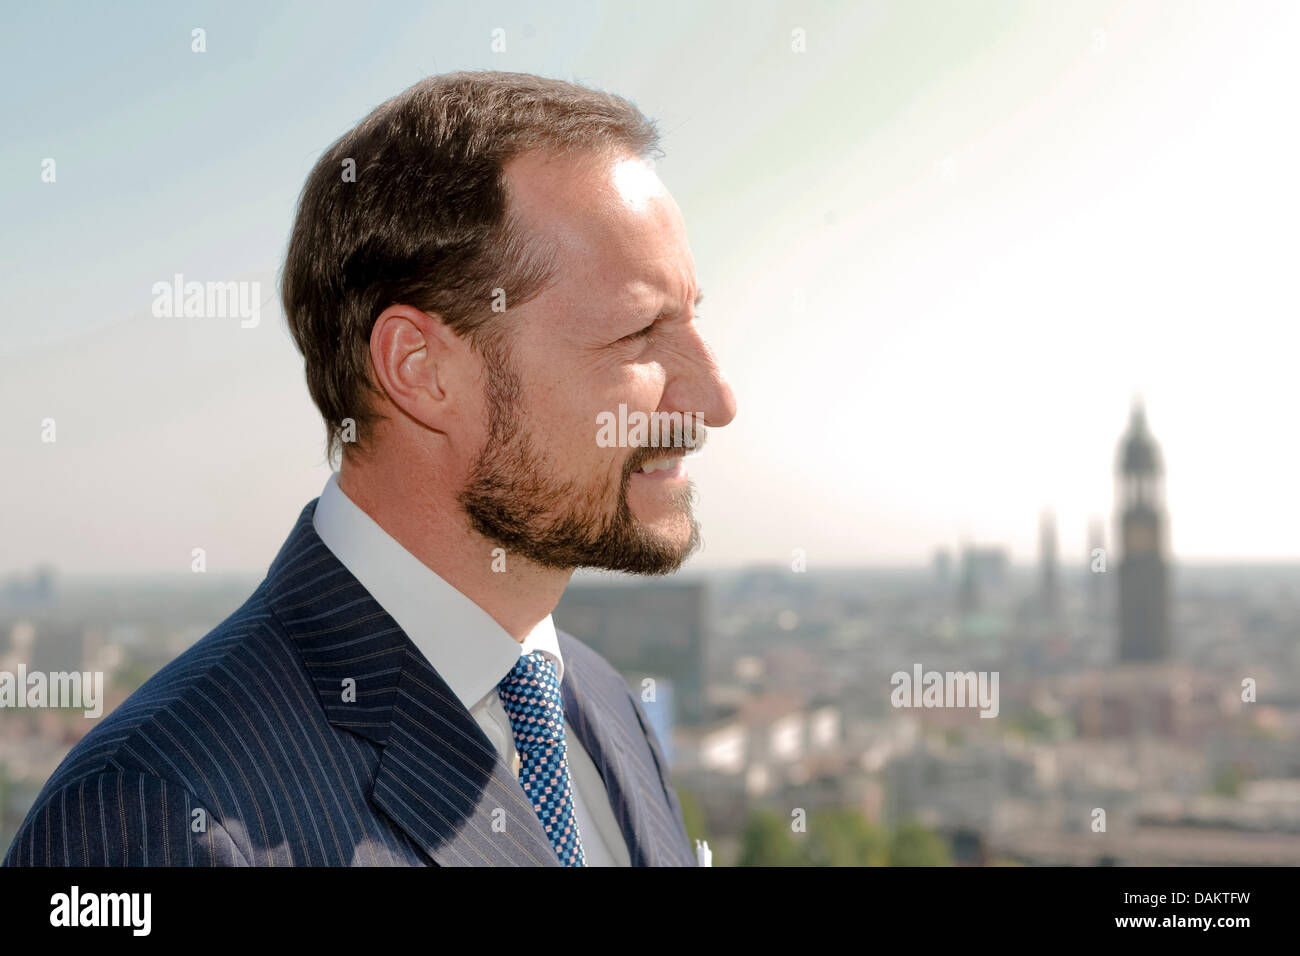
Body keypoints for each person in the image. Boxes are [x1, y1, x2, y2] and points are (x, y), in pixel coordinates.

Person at [3, 70, 736, 867]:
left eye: (690, 319)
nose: (716, 398)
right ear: (420, 368)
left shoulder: (602, 703)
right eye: (637, 333)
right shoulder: (156, 812)